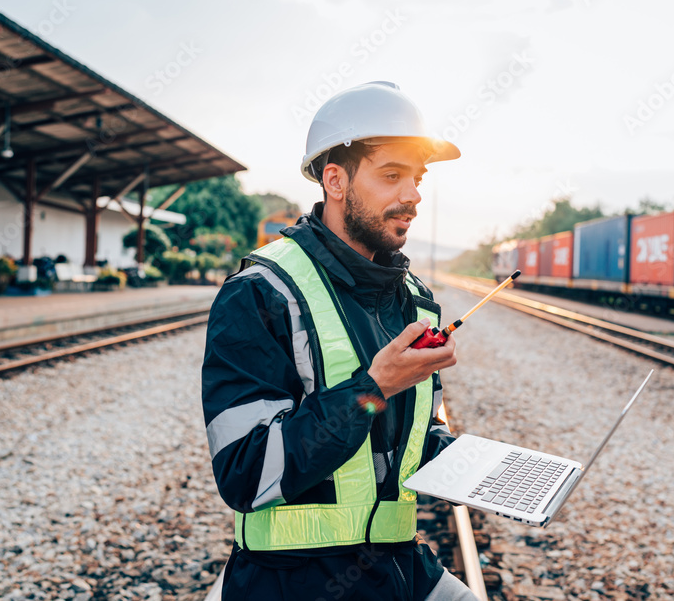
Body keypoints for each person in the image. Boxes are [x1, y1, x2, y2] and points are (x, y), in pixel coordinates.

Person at [202, 82, 479, 600]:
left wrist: (483, 469)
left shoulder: (412, 300)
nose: (413, 195)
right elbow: (245, 471)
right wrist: (374, 388)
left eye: (417, 178)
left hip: (397, 566)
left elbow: (408, 439)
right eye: (392, 175)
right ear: (335, 180)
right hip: (292, 578)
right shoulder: (261, 294)